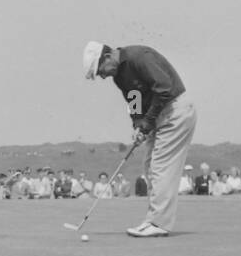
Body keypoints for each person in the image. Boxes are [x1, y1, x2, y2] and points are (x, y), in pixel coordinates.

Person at [84, 40, 196, 237]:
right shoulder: (119, 77)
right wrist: (137, 124)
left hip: (176, 111)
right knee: (150, 165)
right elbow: (134, 98)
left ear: (108, 57)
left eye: (100, 70)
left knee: (160, 167)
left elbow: (164, 89)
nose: (102, 76)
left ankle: (158, 223)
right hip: (160, 115)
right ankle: (154, 219)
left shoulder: (140, 57)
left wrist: (147, 123)